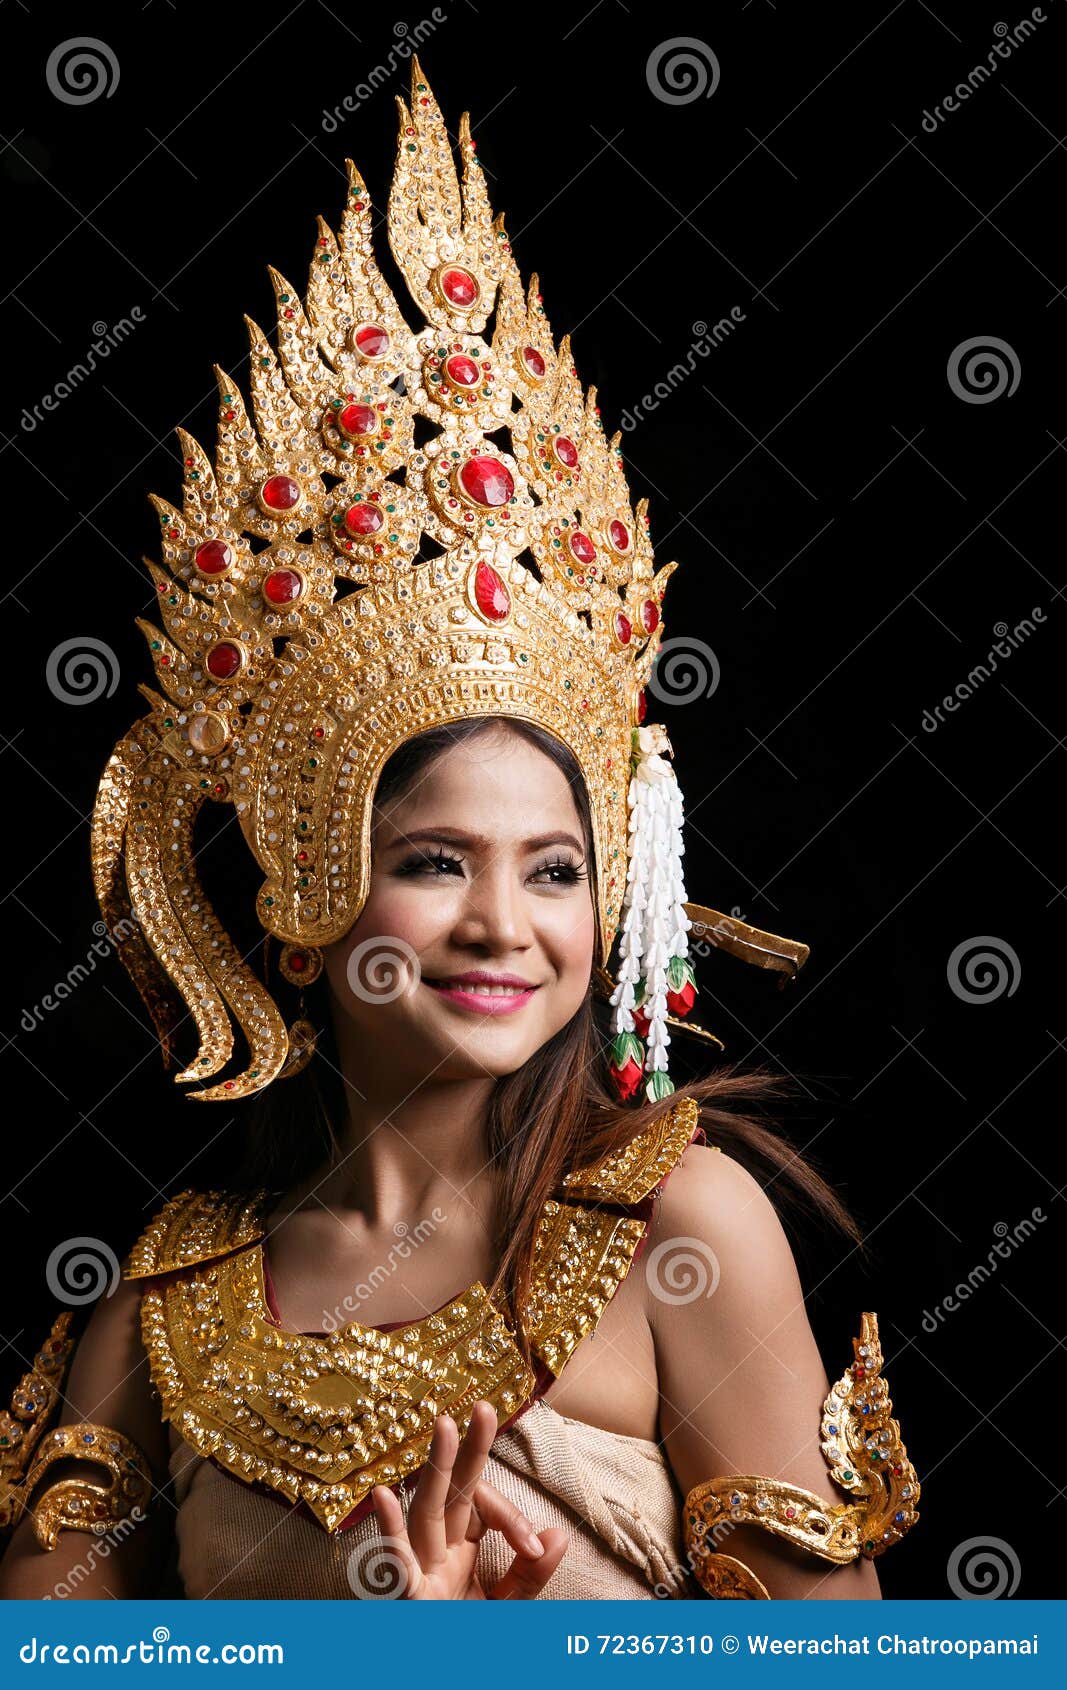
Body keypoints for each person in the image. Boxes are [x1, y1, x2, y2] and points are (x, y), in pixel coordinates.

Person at [0, 60, 918, 1602]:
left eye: (555, 869)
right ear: (303, 894)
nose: (507, 923)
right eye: (436, 861)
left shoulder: (680, 1230)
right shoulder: (164, 1305)